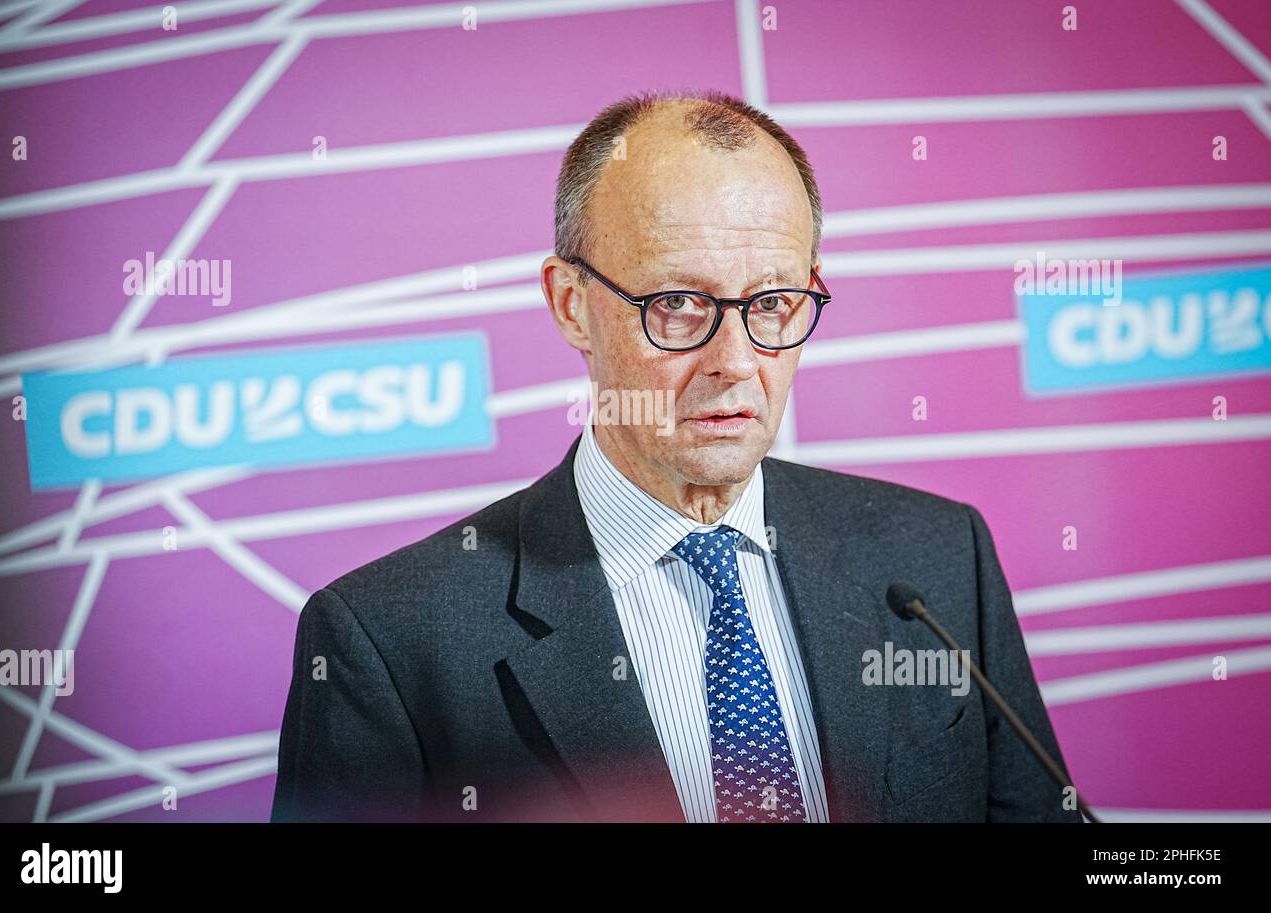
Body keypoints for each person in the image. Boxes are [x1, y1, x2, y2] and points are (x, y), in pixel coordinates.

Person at [272, 89, 1081, 823]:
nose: (735, 358)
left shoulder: (939, 563)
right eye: (680, 304)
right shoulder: (388, 641)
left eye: (772, 302)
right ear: (571, 305)